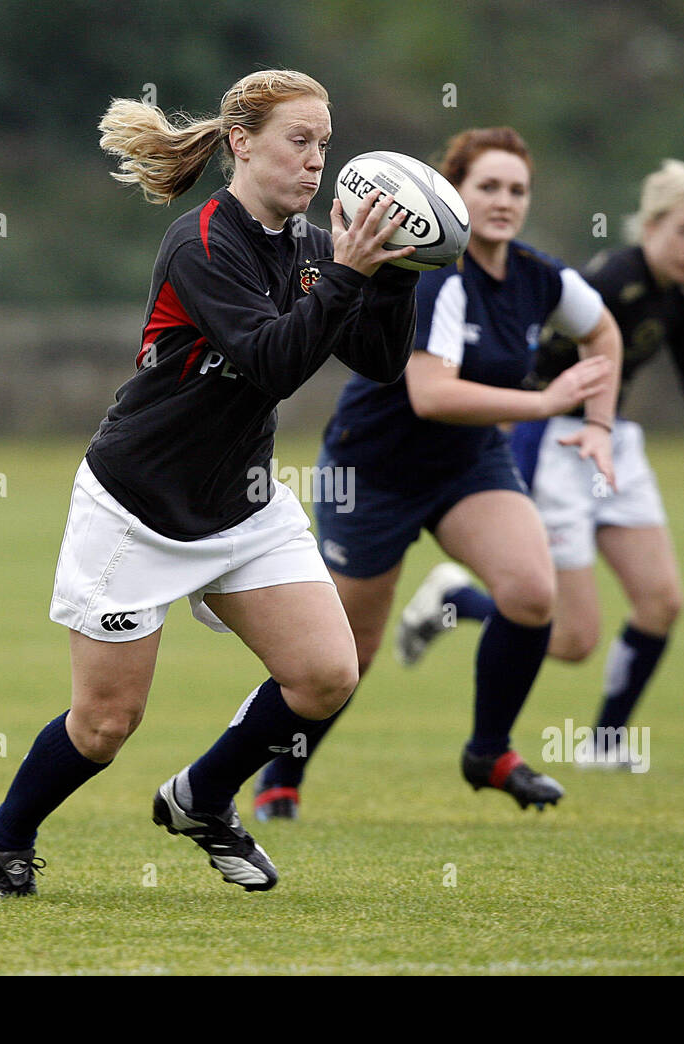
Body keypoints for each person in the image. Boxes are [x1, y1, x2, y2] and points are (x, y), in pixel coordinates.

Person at [0, 69, 422, 896]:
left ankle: (202, 796)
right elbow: (273, 363)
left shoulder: (317, 251)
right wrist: (352, 277)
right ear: (242, 143)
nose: (317, 161)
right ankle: (5, 834)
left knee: (327, 674)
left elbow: (385, 363)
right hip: (135, 507)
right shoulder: (201, 240)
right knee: (106, 723)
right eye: (299, 140)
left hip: (241, 506)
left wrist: (395, 271)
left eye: (325, 143)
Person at [253, 126, 622, 821]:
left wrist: (598, 425)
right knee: (349, 653)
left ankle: (489, 752)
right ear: (453, 194)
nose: (505, 200)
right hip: (375, 468)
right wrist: (543, 403)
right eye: (488, 186)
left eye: (517, 188)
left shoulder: (539, 275)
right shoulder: (435, 277)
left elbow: (604, 332)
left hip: (467, 464)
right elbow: (432, 393)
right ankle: (279, 777)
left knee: (531, 591)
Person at [398, 159, 684, 768]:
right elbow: (524, 349)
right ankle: (457, 600)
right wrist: (513, 428)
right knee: (575, 638)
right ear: (651, 225)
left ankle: (605, 743)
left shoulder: (682, 298)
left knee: (662, 602)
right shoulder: (611, 277)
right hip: (552, 440)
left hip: (613, 442)